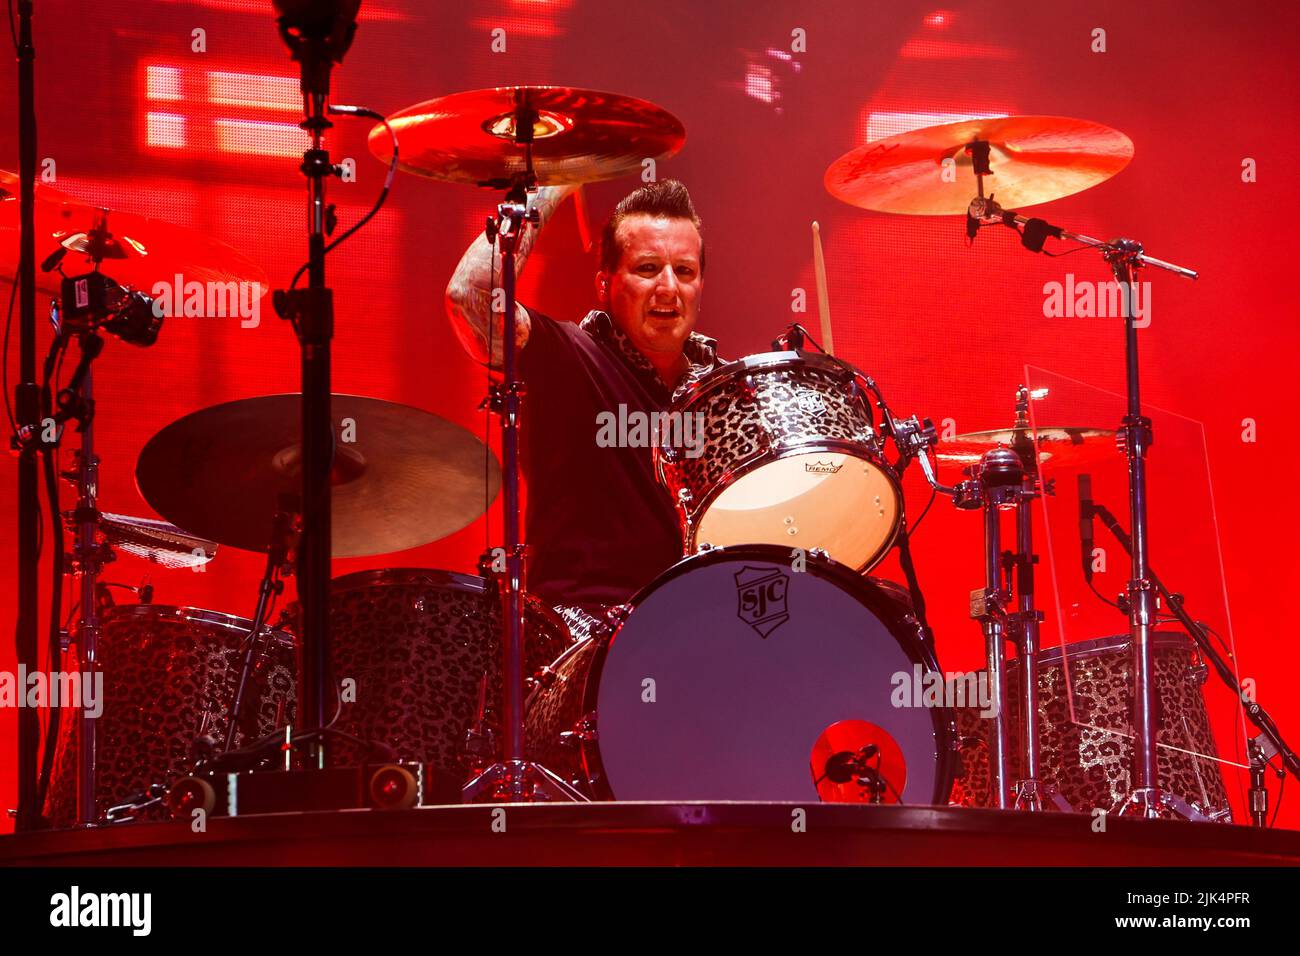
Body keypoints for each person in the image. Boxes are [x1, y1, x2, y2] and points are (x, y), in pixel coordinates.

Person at [445, 179, 722, 614]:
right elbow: (472, 296)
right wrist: (560, 179)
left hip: (699, 634)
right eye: (647, 268)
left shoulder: (722, 391)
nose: (669, 286)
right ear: (604, 285)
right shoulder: (568, 356)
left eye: (684, 271)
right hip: (581, 643)